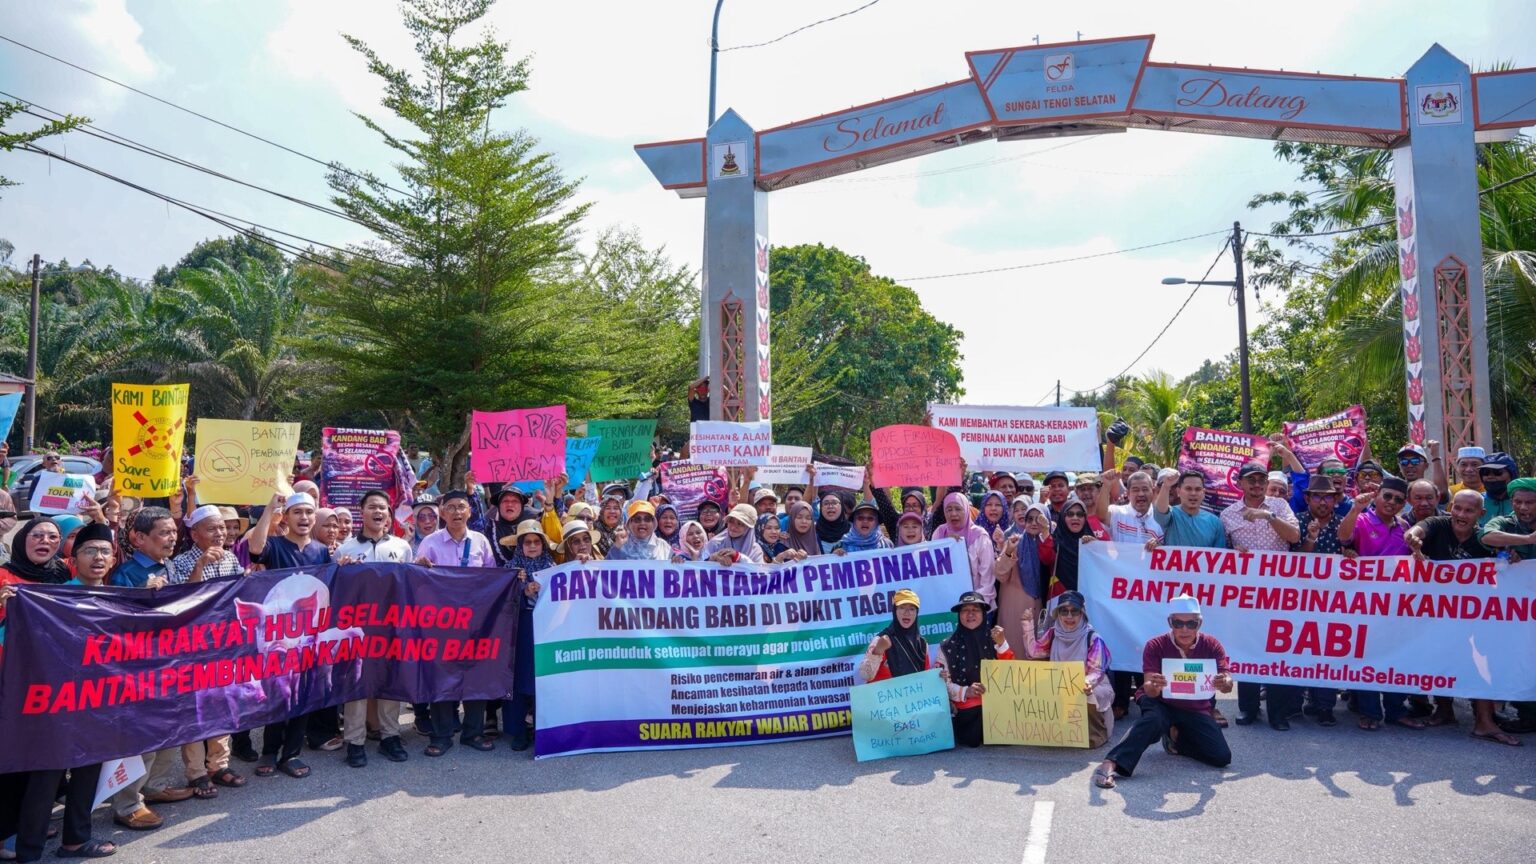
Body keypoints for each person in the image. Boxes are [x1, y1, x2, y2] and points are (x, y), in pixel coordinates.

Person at [1406, 490, 1521, 746]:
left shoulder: (1485, 539)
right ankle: (1444, 710)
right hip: (1436, 611)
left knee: (1478, 664)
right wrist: (1413, 539)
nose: (1461, 514)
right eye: (1457, 508)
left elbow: (1503, 570)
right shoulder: (1438, 524)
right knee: (1439, 658)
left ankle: (1483, 721)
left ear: (1480, 514)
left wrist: (1511, 561)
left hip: (1475, 614)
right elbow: (1416, 530)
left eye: (1469, 511)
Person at [1095, 594, 1233, 787]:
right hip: (1161, 701)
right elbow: (1149, 688)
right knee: (1153, 721)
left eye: (1191, 624)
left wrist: (1225, 681)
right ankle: (1112, 763)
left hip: (1195, 706)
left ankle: (1176, 739)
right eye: (1178, 623)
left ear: (1199, 624)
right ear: (1170, 622)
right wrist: (1155, 686)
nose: (1184, 629)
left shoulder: (1212, 645)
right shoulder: (1155, 645)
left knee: (1221, 757)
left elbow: (1227, 681)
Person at [414, 489, 497, 757]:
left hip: (476, 621)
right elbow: (418, 581)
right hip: (442, 623)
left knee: (477, 676)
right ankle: (442, 734)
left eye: (461, 507)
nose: (457, 512)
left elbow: (492, 578)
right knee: (441, 678)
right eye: (450, 507)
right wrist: (420, 569)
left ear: (470, 511)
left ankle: (473, 732)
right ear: (442, 513)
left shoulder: (481, 541)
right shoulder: (430, 542)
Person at [334, 489, 413, 767]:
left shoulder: (403, 548)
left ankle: (390, 735)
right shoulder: (345, 550)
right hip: (358, 629)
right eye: (372, 507)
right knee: (357, 680)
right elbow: (336, 592)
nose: (378, 512)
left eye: (383, 508)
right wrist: (341, 570)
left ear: (389, 516)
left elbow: (410, 587)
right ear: (362, 512)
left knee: (392, 677)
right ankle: (354, 741)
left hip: (392, 626)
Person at [1219, 463, 1300, 729]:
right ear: (1240, 483)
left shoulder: (1279, 506)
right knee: (1248, 648)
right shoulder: (1228, 514)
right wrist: (1235, 552)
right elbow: (1222, 554)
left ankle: (1278, 712)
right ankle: (1248, 708)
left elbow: (1295, 536)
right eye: (1250, 480)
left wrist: (1269, 517)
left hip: (1279, 591)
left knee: (1276, 649)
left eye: (1261, 479)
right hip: (1246, 594)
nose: (1256, 484)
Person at [1026, 592, 1114, 747]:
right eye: (1064, 611)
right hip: (1060, 685)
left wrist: (1087, 683)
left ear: (1082, 613)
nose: (1069, 616)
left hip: (1092, 686)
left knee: (1086, 697)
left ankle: (1097, 735)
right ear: (1058, 614)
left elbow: (1097, 671)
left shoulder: (1093, 638)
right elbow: (1034, 652)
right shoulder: (1053, 633)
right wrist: (1026, 626)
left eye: (1074, 611)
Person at [936, 591, 1013, 748]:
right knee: (970, 738)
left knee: (1004, 739)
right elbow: (942, 683)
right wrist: (965, 691)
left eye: (975, 610)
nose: (970, 614)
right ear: (959, 615)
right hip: (968, 710)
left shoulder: (996, 639)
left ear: (983, 614)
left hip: (998, 706)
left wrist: (1002, 644)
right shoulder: (946, 646)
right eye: (965, 610)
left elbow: (1012, 673)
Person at [502, 520, 549, 752]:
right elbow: (501, 600)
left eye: (536, 541)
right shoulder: (510, 569)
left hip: (548, 628)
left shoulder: (552, 566)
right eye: (527, 542)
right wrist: (521, 590)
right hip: (521, 627)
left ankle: (543, 727)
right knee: (521, 678)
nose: (532, 546)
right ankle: (518, 730)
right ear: (519, 545)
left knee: (544, 678)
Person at [993, 502, 1048, 652]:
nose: (1034, 523)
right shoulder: (1015, 542)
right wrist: (1009, 552)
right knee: (1015, 653)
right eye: (1030, 519)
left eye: (1039, 519)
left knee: (1038, 656)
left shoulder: (1051, 544)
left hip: (1041, 610)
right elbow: (1000, 574)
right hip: (1014, 610)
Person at [932, 492, 996, 611]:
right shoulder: (939, 533)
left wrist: (975, 603)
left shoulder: (979, 536)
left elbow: (987, 576)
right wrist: (946, 545)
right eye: (949, 509)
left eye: (958, 509)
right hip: (946, 603)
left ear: (966, 510)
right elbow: (933, 569)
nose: (953, 514)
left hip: (977, 604)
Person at [857, 589, 930, 681]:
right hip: (884, 695)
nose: (907, 613)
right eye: (902, 607)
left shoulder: (922, 644)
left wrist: (940, 677)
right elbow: (866, 676)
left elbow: (926, 679)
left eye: (912, 609)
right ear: (895, 611)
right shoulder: (882, 640)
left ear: (916, 613)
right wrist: (878, 651)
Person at [169, 505, 245, 585]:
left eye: (222, 527)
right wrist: (199, 566)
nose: (219, 534)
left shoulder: (230, 558)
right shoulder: (180, 563)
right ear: (195, 535)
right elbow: (184, 595)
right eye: (211, 529)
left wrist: (247, 576)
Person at [1153, 470, 1228, 548]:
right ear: (1178, 491)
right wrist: (1166, 486)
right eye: (1188, 489)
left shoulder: (1215, 523)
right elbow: (1160, 512)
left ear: (1203, 493)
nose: (1193, 493)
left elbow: (1220, 555)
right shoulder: (1171, 515)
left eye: (1198, 489)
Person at [108, 507, 179, 589]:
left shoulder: (171, 566)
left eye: (174, 531)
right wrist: (143, 592)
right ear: (141, 537)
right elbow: (118, 602)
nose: (173, 538)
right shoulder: (125, 573)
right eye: (164, 532)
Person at [1095, 469, 1164, 546]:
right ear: (1128, 493)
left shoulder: (1160, 520)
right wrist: (1106, 485)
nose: (1141, 494)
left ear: (1153, 492)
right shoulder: (1117, 513)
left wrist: (1158, 546)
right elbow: (1101, 515)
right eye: (1135, 490)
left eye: (1145, 489)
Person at [608, 500, 674, 561]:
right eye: (637, 519)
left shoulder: (663, 547)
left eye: (647, 519)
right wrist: (616, 549)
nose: (642, 523)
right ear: (629, 524)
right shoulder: (621, 546)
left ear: (653, 523)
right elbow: (604, 570)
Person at [702, 504, 767, 564]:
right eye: (731, 521)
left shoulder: (755, 550)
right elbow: (698, 568)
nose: (733, 527)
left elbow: (759, 574)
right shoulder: (715, 543)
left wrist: (738, 557)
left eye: (740, 524)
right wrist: (712, 558)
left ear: (749, 528)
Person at [1477, 452, 1518, 525]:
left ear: (1512, 475)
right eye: (1485, 472)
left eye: (1497, 472)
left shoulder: (1523, 502)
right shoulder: (1475, 502)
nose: (1490, 476)